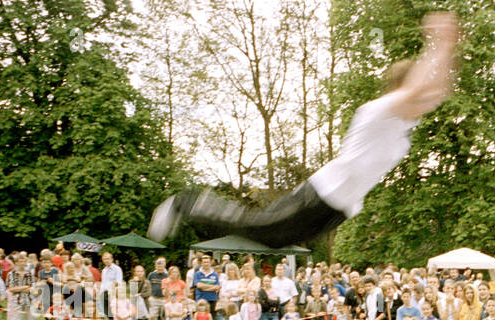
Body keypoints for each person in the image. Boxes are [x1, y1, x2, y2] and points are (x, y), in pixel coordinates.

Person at [149, 12, 461, 248]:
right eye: (418, 94)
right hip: (321, 194)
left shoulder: (404, 124)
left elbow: (438, 90)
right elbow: (419, 88)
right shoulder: (378, 111)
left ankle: (189, 207)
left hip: (338, 208)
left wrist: (448, 48)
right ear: (402, 87)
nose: (427, 101)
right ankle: (182, 203)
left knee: (274, 242)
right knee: (259, 225)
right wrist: (439, 44)